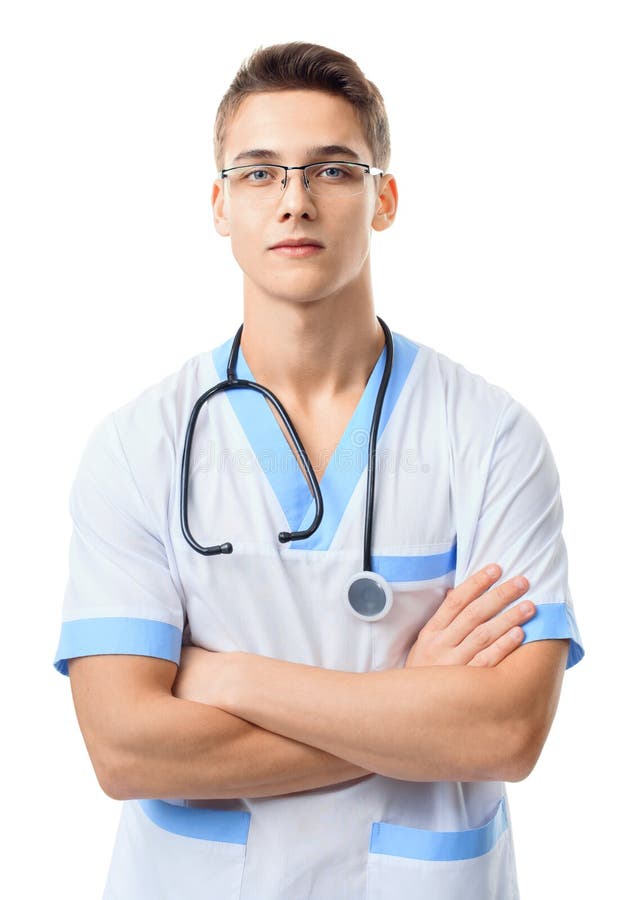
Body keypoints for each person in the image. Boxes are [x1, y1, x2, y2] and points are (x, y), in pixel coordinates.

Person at [53, 41, 584, 900]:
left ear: (385, 199)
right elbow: (125, 750)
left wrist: (229, 677)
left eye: (333, 170)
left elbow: (504, 734)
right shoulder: (139, 445)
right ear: (220, 204)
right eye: (259, 173)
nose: (294, 200)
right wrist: (410, 706)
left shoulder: (488, 437)